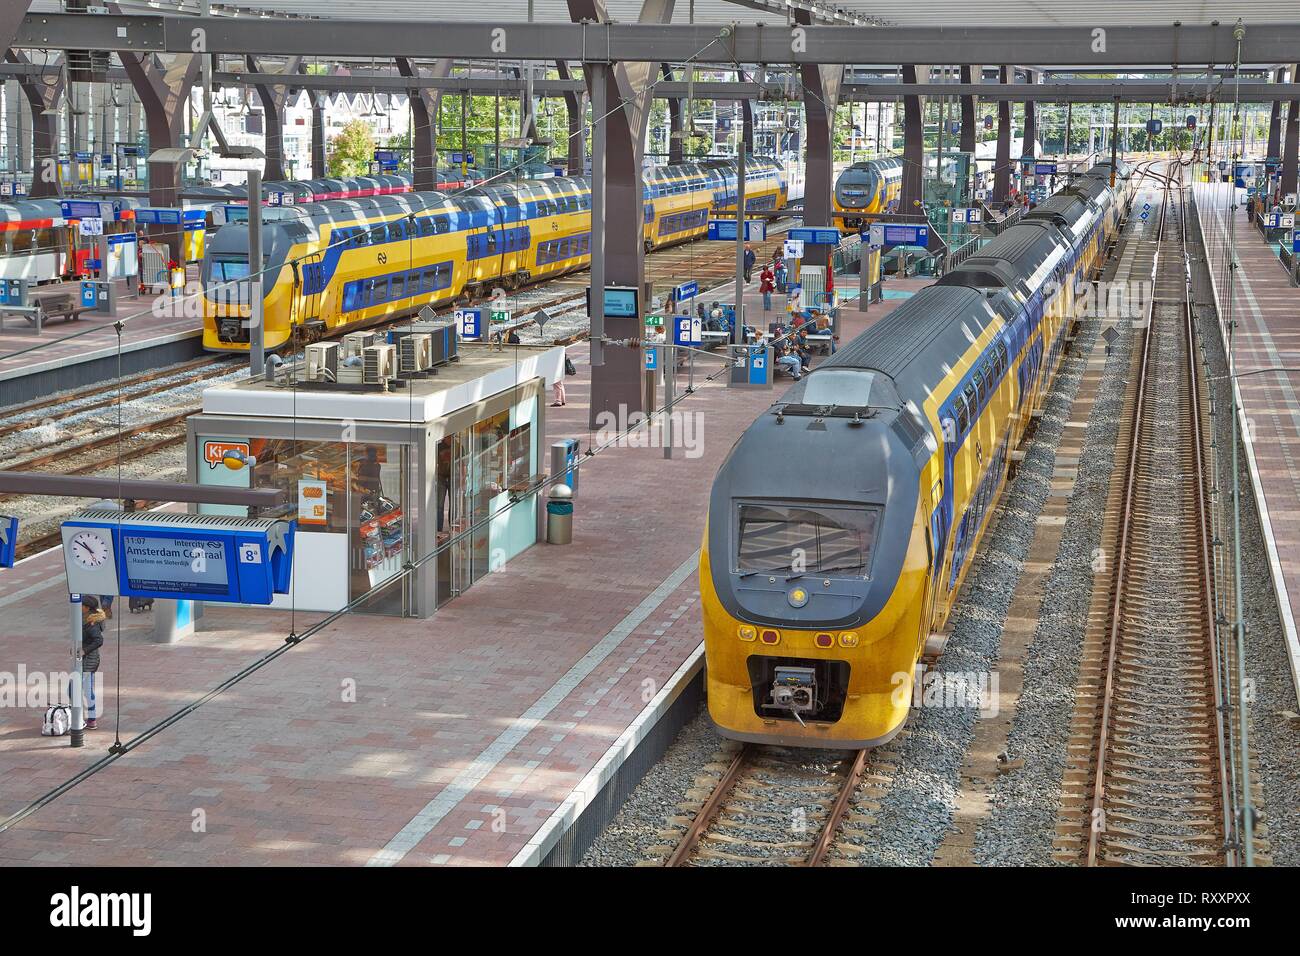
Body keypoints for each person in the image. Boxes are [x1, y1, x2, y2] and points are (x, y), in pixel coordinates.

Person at [76, 596, 106, 730]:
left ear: (87, 608)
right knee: (87, 690)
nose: (79, 607)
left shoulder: (91, 622)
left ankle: (79, 719)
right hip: (88, 659)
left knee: (73, 690)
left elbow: (98, 640)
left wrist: (84, 650)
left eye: (81, 605)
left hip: (89, 660)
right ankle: (91, 719)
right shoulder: (89, 618)